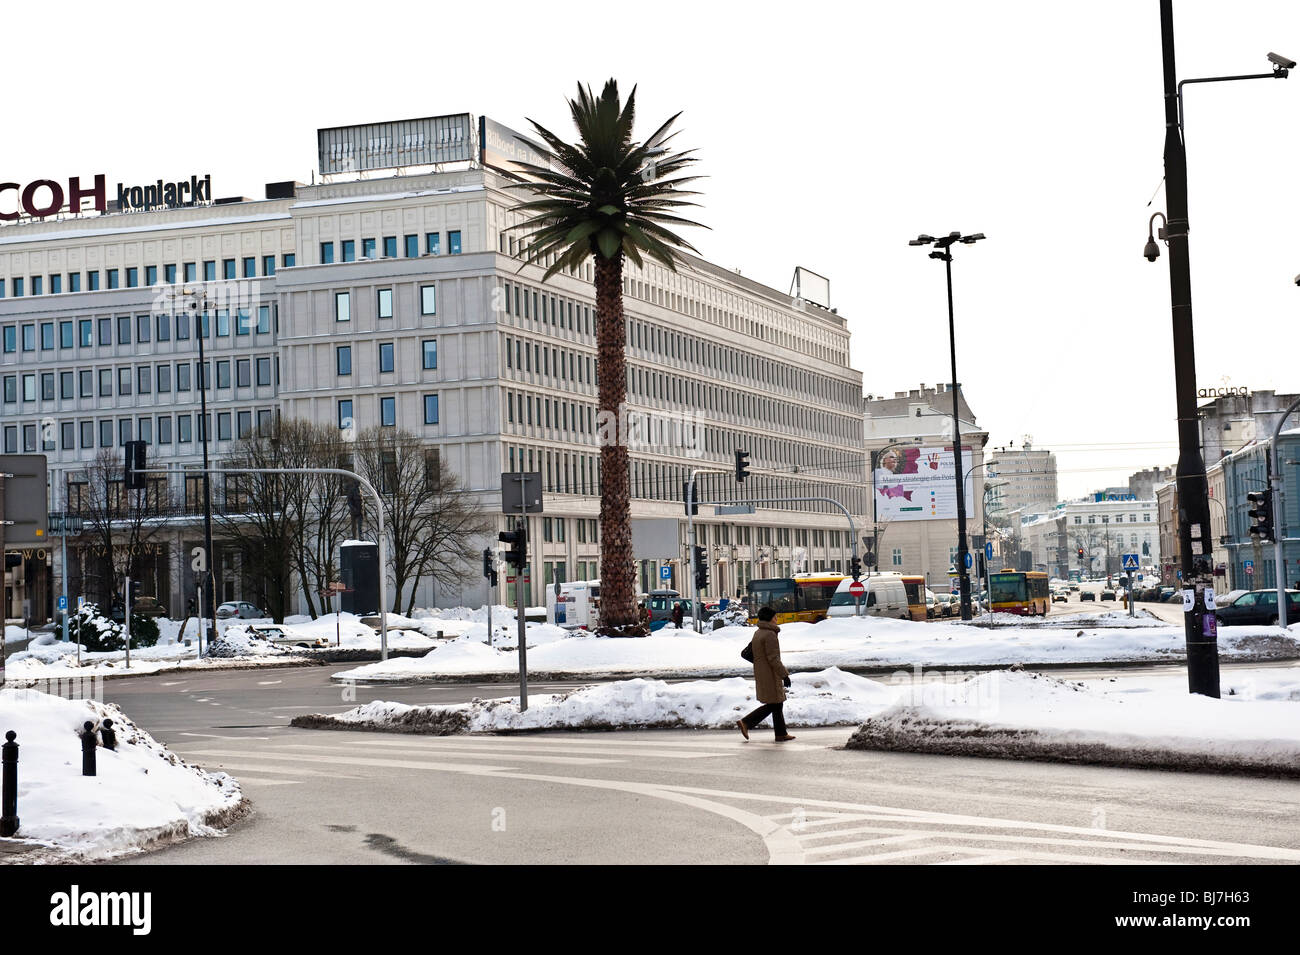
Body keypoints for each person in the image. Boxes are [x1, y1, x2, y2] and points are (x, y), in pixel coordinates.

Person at [737, 606, 795, 742]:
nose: (776, 619)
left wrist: (759, 663)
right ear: (769, 619)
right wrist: (784, 675)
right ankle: (746, 722)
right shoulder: (770, 634)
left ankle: (781, 734)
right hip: (770, 673)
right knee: (774, 703)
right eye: (775, 617)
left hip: (763, 672)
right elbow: (773, 658)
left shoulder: (758, 632)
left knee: (777, 703)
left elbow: (750, 653)